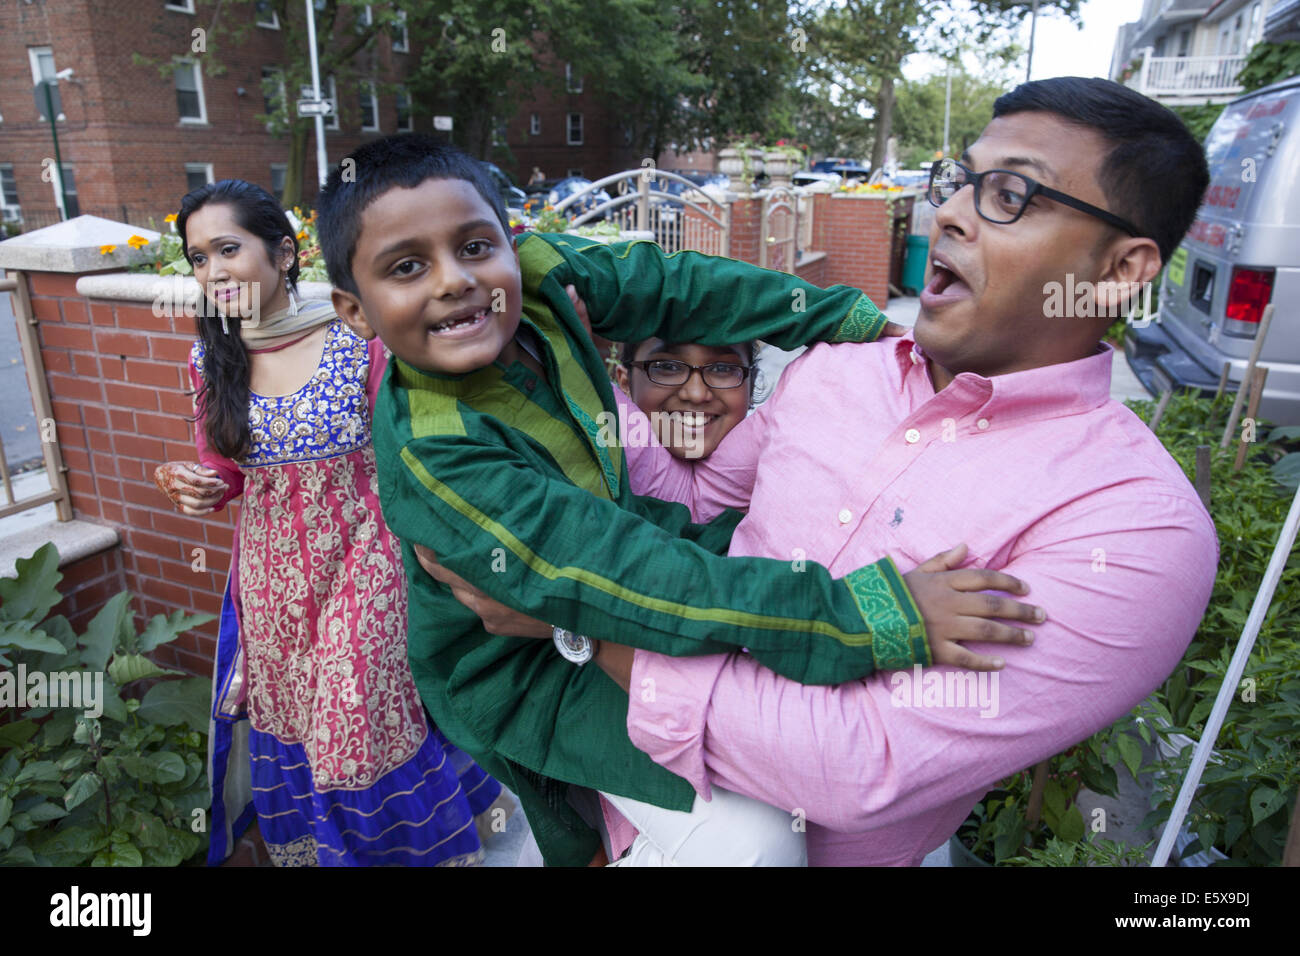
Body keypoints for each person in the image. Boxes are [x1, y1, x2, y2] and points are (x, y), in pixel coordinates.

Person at [430, 77, 1221, 864]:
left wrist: (577, 614)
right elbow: (696, 497)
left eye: (1009, 194)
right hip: (616, 806)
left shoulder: (1133, 526)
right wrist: (578, 401)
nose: (945, 214)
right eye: (960, 181)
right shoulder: (841, 366)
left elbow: (857, 764)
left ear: (1121, 269)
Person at [315, 134, 1044, 866]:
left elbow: (680, 284)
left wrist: (840, 320)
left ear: (515, 241)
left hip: (620, 549)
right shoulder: (439, 451)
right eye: (407, 267)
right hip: (526, 666)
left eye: (475, 247)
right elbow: (625, 576)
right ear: (354, 308)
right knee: (759, 841)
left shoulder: (540, 278)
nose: (454, 280)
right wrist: (865, 619)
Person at [153, 179, 508, 866]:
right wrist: (196, 486)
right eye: (198, 258)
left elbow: (408, 452)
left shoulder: (357, 336)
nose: (213, 271)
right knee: (303, 729)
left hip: (368, 558)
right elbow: (226, 472)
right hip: (272, 580)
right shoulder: (210, 358)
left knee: (356, 724)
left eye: (228, 248)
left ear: (283, 253)